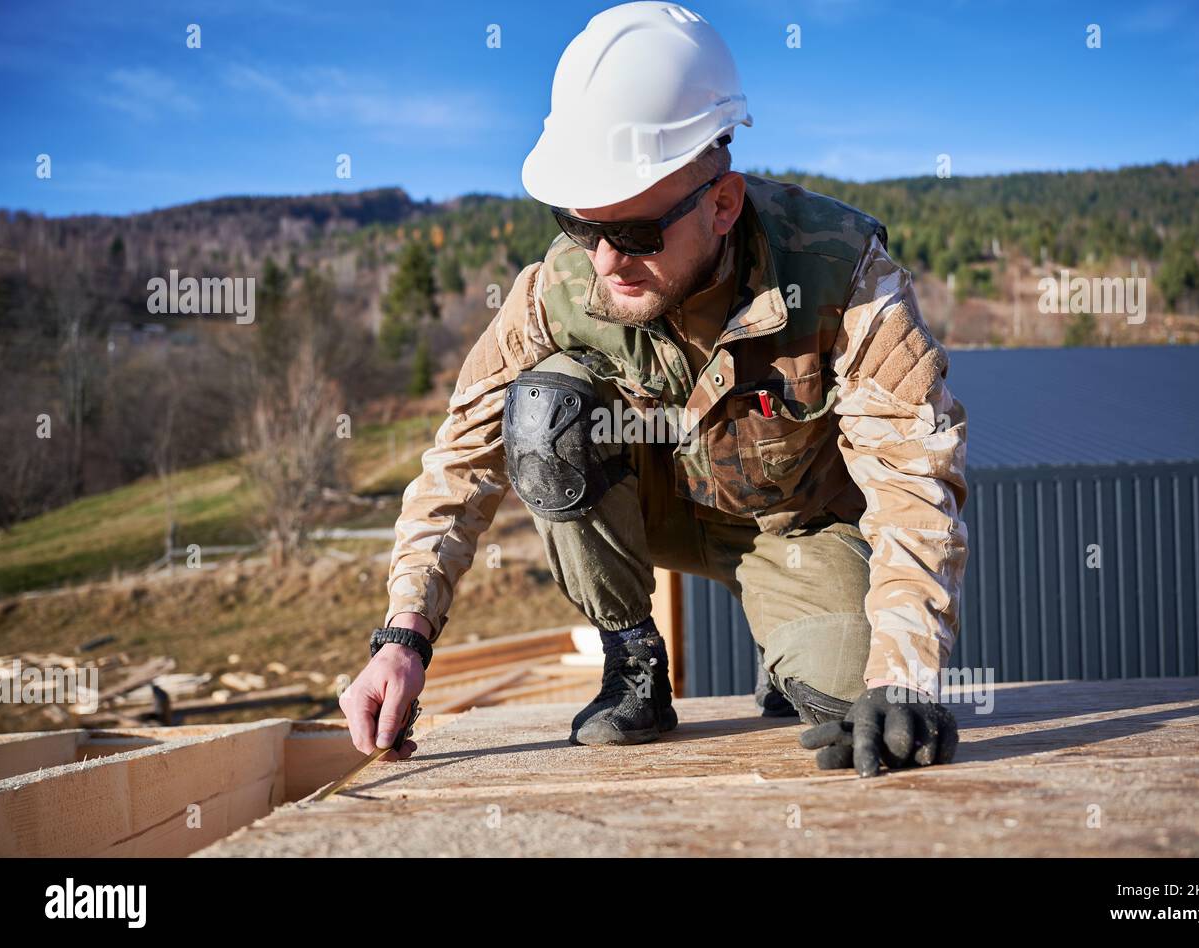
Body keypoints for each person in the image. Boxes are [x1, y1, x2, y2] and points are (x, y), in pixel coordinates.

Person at [342, 1, 968, 778]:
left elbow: (915, 474)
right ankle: (632, 660)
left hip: (797, 530)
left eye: (636, 234)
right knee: (543, 409)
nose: (606, 260)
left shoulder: (844, 273)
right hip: (654, 508)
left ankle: (791, 660)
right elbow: (459, 464)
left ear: (722, 202)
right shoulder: (556, 289)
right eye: (582, 228)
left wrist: (903, 675)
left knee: (853, 707)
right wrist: (405, 637)